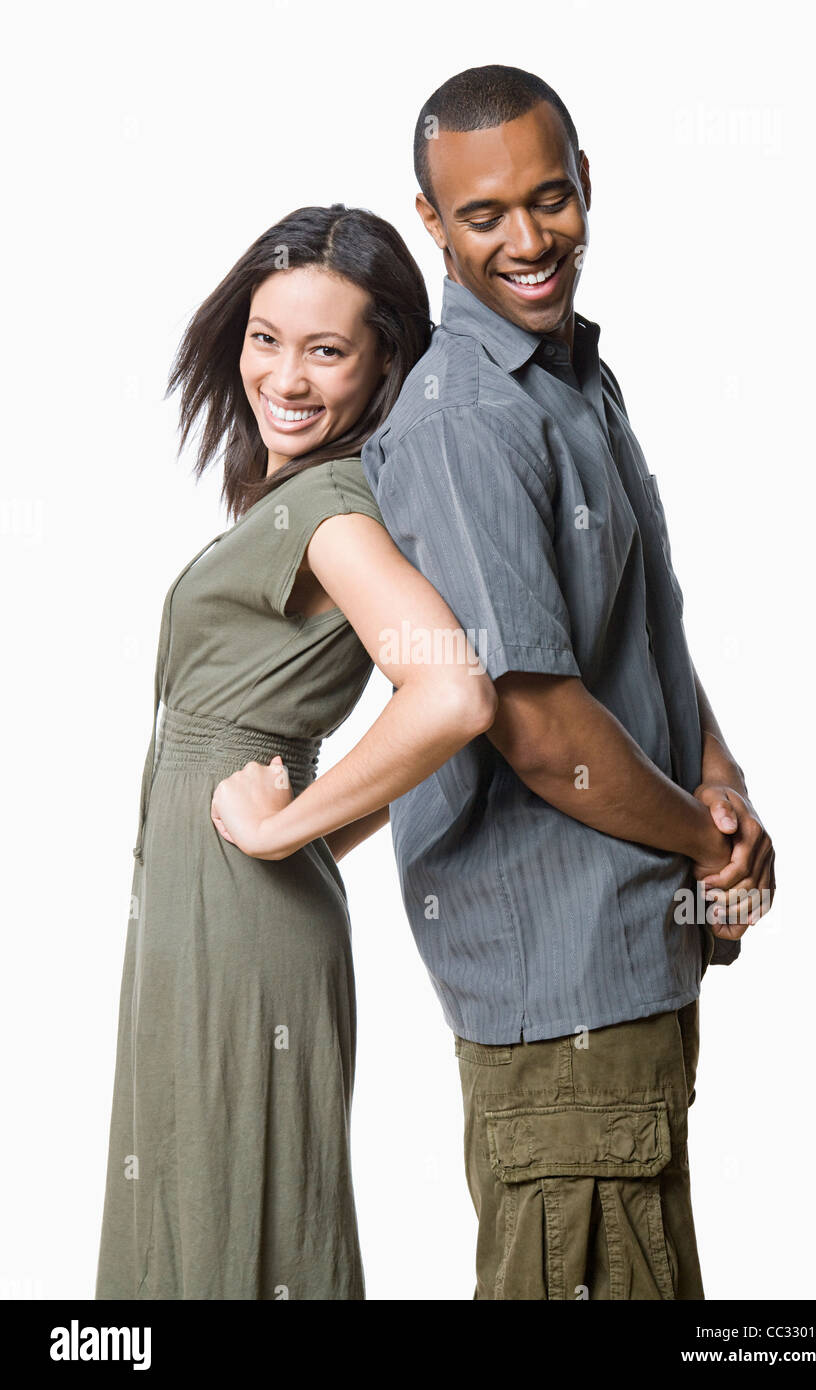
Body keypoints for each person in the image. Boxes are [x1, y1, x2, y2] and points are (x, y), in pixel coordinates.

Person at [361, 66, 776, 1300]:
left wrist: (719, 774)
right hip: (557, 1000)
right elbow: (539, 727)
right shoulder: (458, 420)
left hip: (627, 966)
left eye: (550, 198)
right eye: (483, 215)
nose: (528, 239)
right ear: (430, 223)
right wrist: (705, 844)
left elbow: (635, 630)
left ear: (587, 182)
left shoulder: (576, 377)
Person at [95, 203, 497, 1301]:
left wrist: (286, 827)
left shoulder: (327, 508)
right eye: (266, 337)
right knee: (190, 1183)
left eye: (327, 349)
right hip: (215, 896)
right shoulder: (288, 500)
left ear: (381, 368)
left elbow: (452, 692)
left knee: (232, 1197)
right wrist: (304, 831)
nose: (287, 375)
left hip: (238, 912)